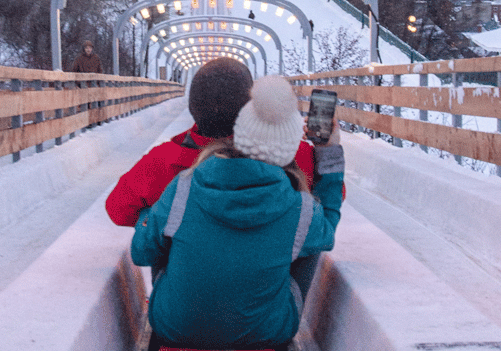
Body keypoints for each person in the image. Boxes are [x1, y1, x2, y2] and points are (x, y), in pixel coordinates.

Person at [132, 76, 345, 351]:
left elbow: (142, 253)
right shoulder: (300, 208)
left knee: (165, 231)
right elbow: (327, 230)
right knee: (312, 239)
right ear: (290, 146)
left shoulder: (184, 186)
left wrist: (149, 218)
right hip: (266, 334)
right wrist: (330, 153)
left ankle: (184, 310)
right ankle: (274, 317)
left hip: (175, 329)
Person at [105, 58, 318, 228]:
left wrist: (160, 221)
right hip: (272, 277)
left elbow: (118, 210)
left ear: (194, 106)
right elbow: (333, 192)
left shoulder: (164, 161)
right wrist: (324, 149)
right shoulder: (287, 153)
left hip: (185, 277)